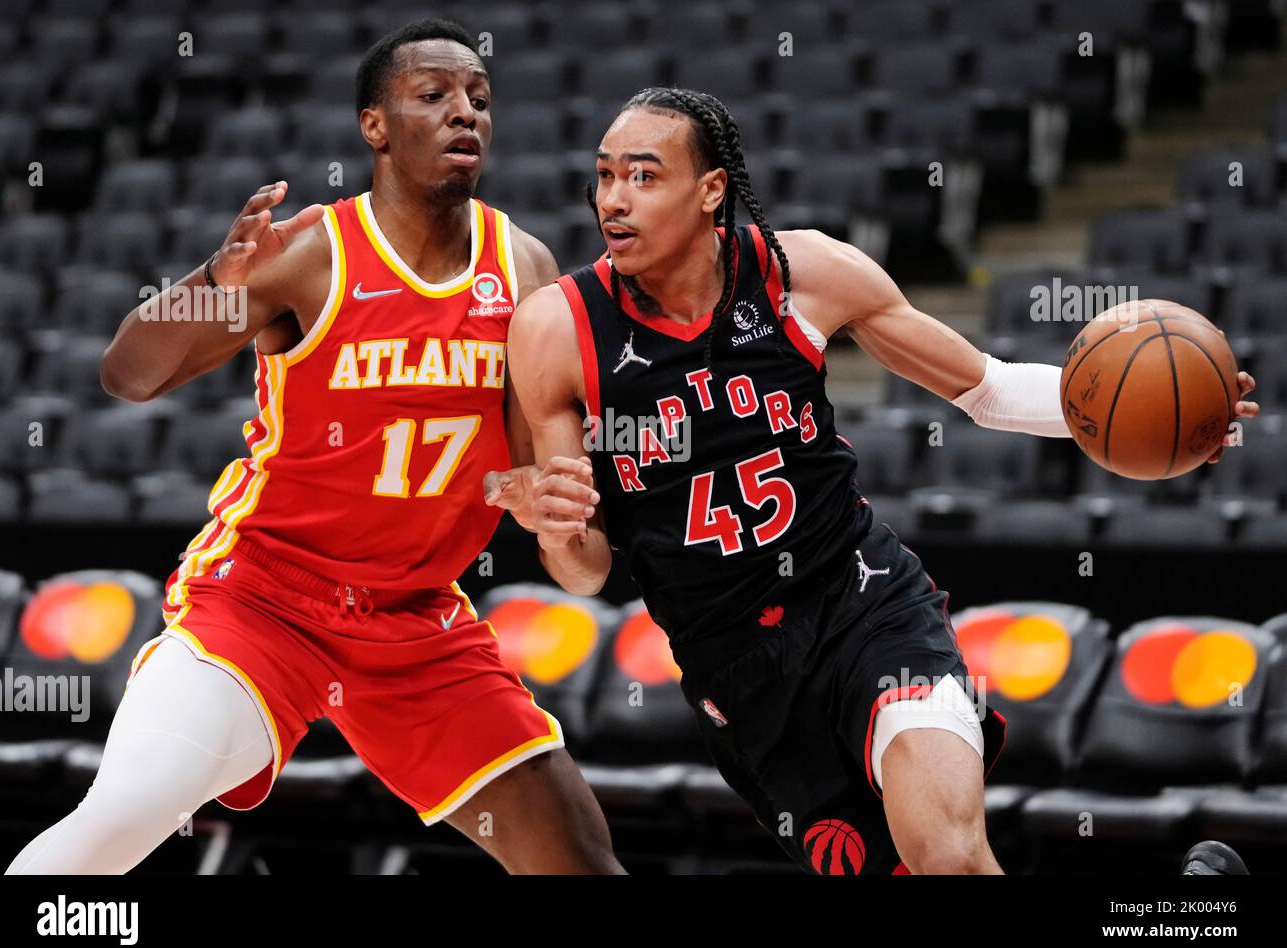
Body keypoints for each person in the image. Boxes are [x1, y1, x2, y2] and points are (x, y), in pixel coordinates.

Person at [486, 87, 1259, 875]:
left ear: (711, 189)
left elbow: (987, 388)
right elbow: (583, 571)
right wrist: (556, 527)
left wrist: (1168, 420)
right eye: (604, 175)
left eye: (643, 176)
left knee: (948, 857)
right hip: (740, 674)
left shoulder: (801, 272)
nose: (613, 199)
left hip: (864, 603)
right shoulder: (558, 329)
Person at [7, 20, 623, 876]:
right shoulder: (309, 254)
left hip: (414, 619)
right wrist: (212, 282)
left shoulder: (523, 268)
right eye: (434, 95)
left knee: (580, 859)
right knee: (121, 818)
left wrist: (542, 509)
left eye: (479, 99)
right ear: (375, 125)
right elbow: (127, 374)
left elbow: (565, 538)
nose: (465, 114)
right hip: (266, 600)